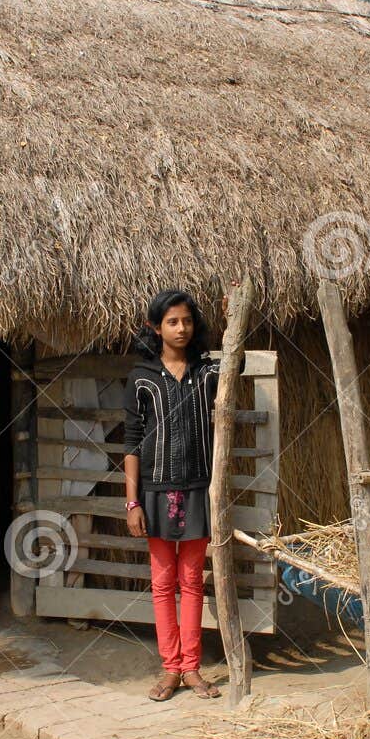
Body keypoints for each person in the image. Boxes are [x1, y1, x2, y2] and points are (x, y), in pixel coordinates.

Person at [122, 289, 222, 701]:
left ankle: (193, 668)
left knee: (193, 582)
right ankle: (170, 669)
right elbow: (130, 442)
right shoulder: (142, 378)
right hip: (156, 492)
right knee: (163, 583)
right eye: (172, 322)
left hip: (198, 489)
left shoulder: (208, 373)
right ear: (156, 327)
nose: (181, 329)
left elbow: (241, 361)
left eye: (187, 321)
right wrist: (132, 502)